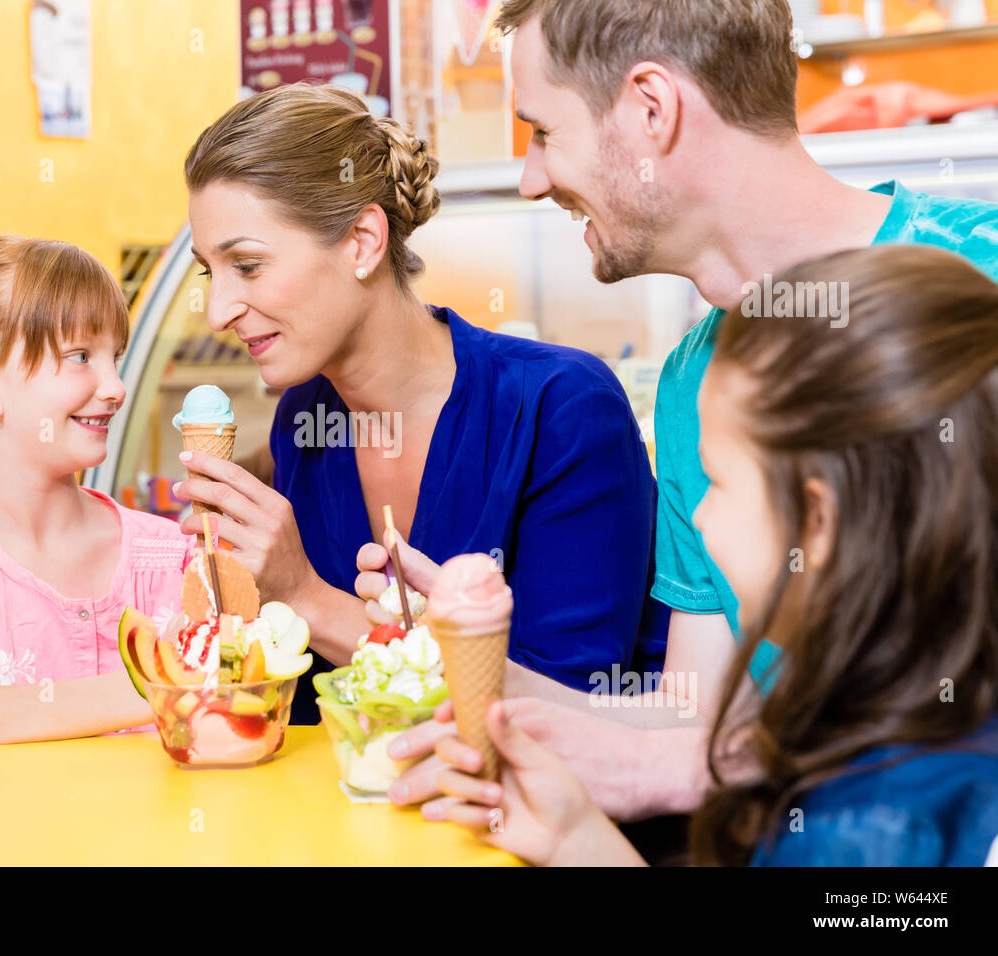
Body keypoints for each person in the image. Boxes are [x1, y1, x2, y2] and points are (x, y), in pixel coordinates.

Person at [364, 0, 998, 813]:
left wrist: (708, 772)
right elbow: (703, 717)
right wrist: (465, 655)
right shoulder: (691, 381)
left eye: (544, 132)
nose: (529, 179)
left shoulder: (976, 280)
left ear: (651, 110)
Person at [432, 246, 998, 865]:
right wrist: (576, 840)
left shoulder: (861, 831)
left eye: (718, 482)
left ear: (818, 520)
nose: (698, 516)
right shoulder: (930, 726)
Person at [175, 82, 668, 725]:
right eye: (211, 272)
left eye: (247, 265)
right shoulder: (305, 419)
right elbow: (322, 708)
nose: (217, 313)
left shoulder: (561, 409)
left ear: (362, 241)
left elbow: (571, 712)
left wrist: (307, 598)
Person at [0, 236, 193, 760]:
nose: (115, 386)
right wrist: (162, 682)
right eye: (81, 356)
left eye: (116, 357)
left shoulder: (172, 552)